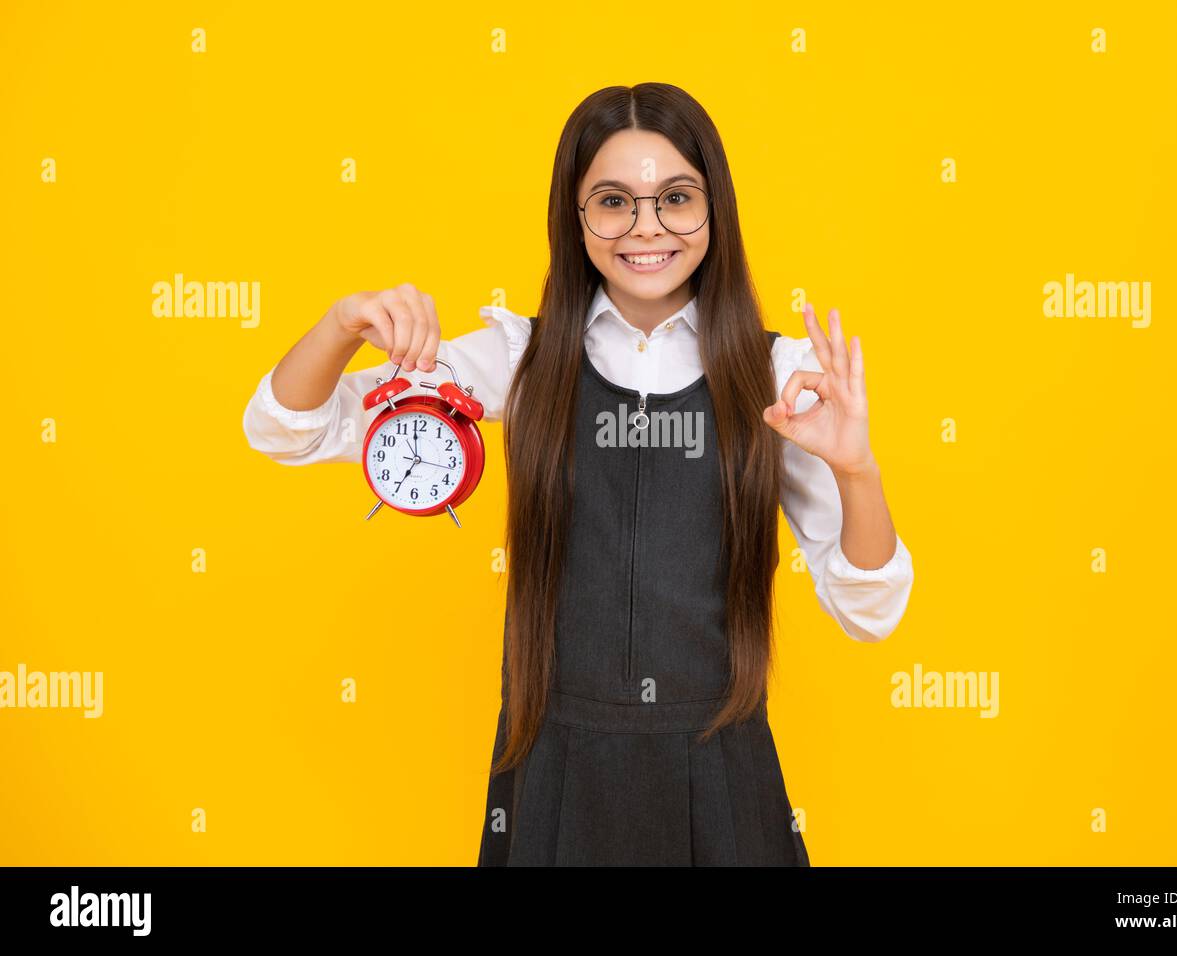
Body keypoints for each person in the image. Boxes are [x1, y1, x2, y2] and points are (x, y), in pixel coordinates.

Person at [242, 82, 914, 865]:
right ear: (576, 215)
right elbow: (287, 430)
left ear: (714, 209)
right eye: (613, 201)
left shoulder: (775, 378)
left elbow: (871, 609)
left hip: (722, 782)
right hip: (556, 775)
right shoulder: (520, 359)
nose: (646, 227)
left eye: (676, 198)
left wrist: (857, 469)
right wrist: (342, 324)